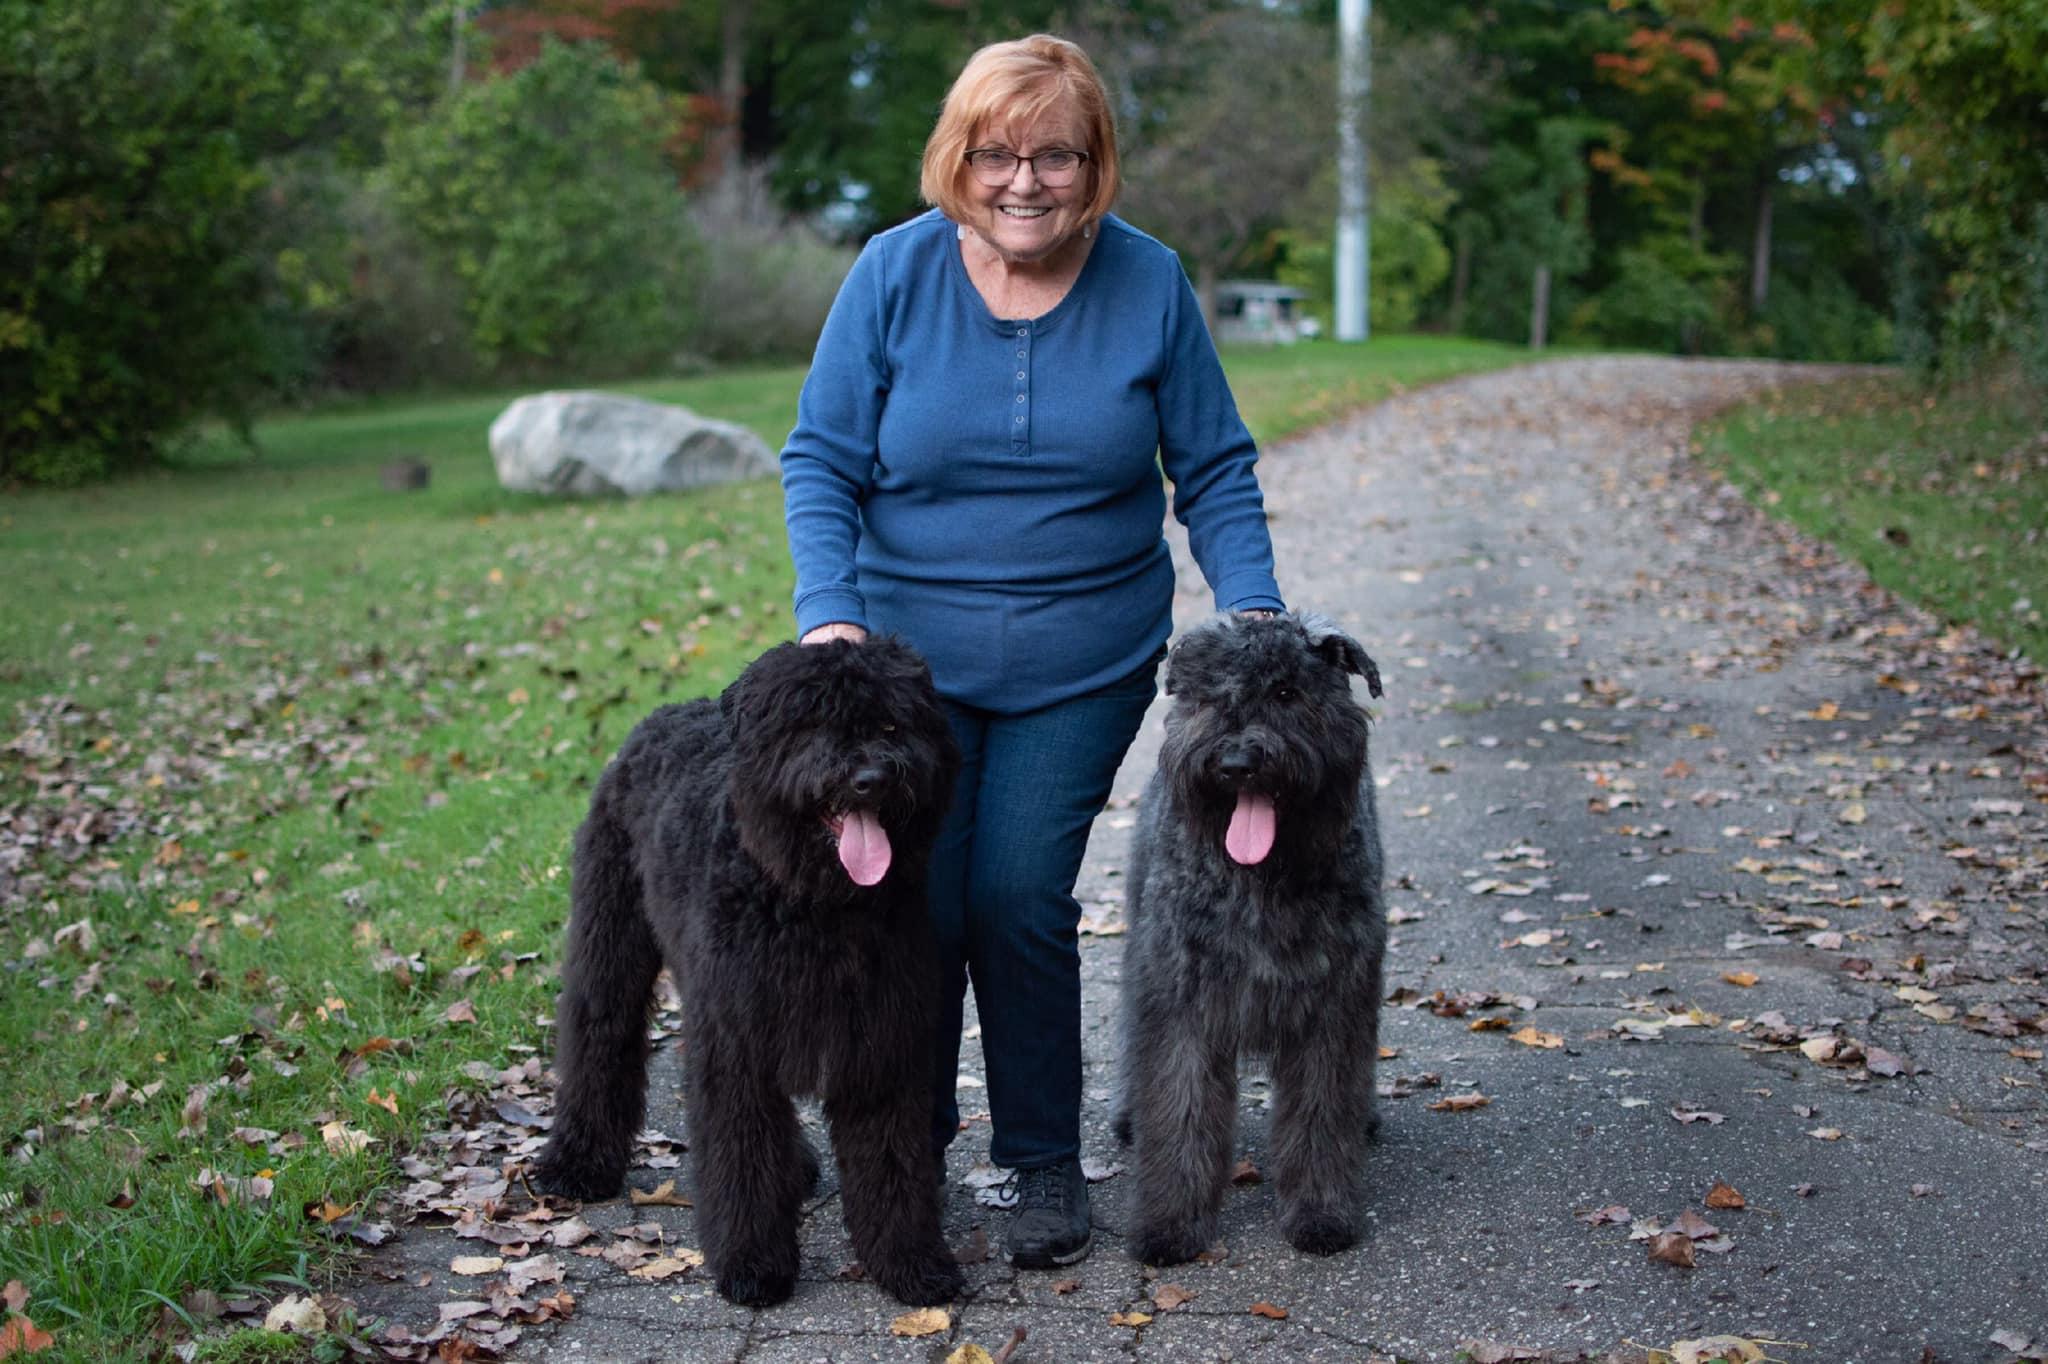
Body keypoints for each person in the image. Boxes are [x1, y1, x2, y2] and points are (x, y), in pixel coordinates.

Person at [779, 32, 1285, 1270]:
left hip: (1083, 652)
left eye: (1052, 155)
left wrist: (1256, 604)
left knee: (1011, 894)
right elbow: (821, 459)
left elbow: (1211, 465)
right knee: (917, 902)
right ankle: (903, 1144)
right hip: (906, 671)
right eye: (996, 154)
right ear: (958, 158)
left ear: (1092, 164)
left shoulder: (1148, 282)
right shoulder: (891, 276)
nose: (1023, 182)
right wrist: (828, 608)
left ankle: (1040, 1164)